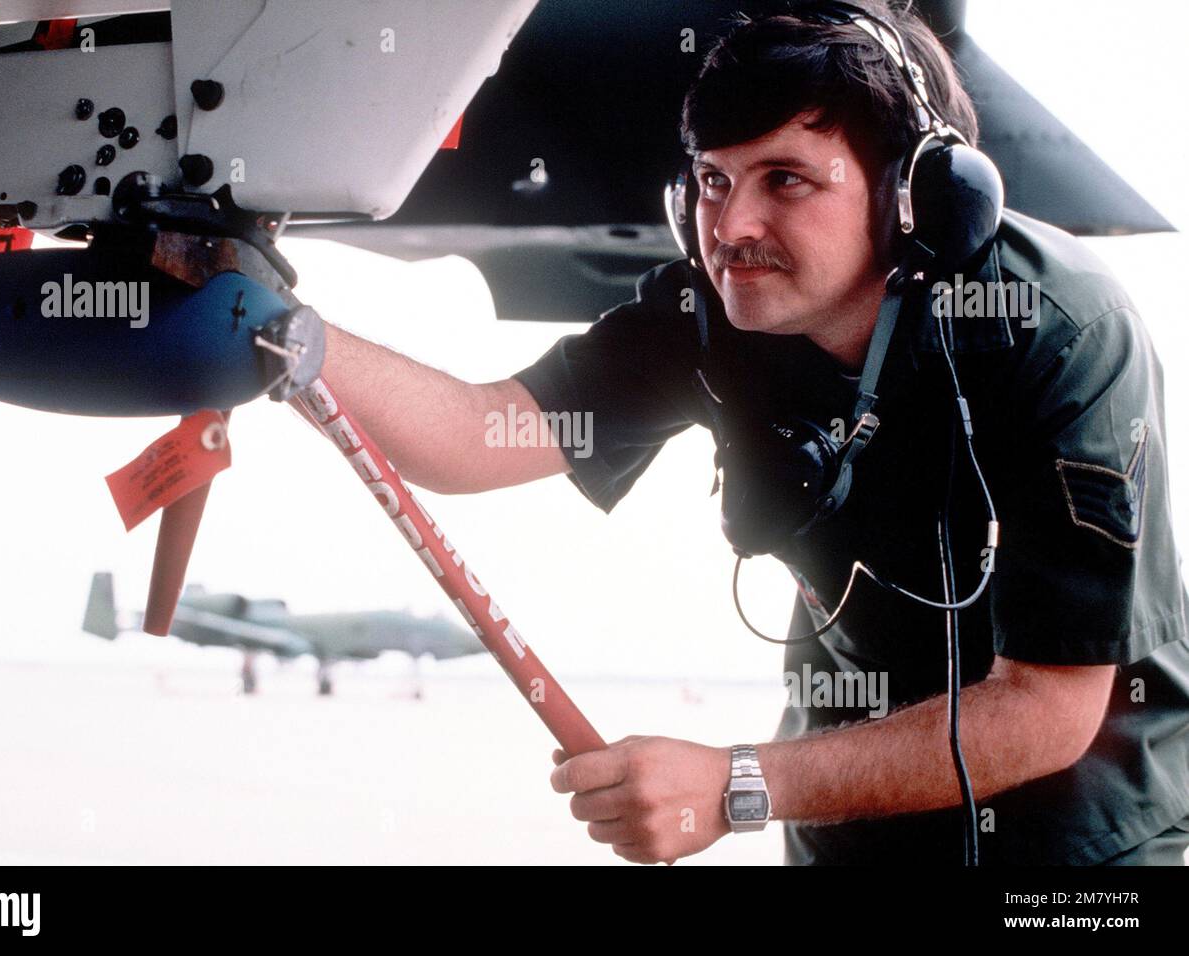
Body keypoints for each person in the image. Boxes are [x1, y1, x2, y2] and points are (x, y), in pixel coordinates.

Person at [317, 0, 1189, 865]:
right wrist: (280, 331)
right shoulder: (710, 311)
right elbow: (478, 433)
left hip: (1081, 842)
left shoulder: (1061, 329)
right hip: (850, 822)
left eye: (787, 179)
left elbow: (1046, 710)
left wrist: (736, 783)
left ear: (914, 195)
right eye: (713, 181)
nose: (731, 228)